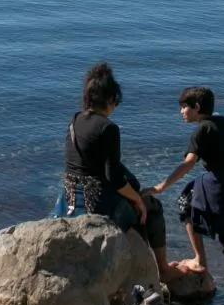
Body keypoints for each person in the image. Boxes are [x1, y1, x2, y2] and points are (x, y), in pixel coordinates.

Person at [61, 62, 184, 282]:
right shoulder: (108, 128)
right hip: (99, 204)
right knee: (151, 208)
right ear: (110, 100)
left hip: (70, 198)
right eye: (116, 102)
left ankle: (145, 268)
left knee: (138, 200)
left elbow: (91, 162)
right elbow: (114, 178)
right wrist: (137, 199)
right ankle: (161, 270)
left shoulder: (75, 120)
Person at [143, 86, 224, 305]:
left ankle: (200, 259)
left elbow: (188, 164)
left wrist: (159, 187)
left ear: (196, 107)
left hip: (221, 180)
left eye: (184, 107)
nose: (181, 112)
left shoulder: (201, 130)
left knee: (185, 202)